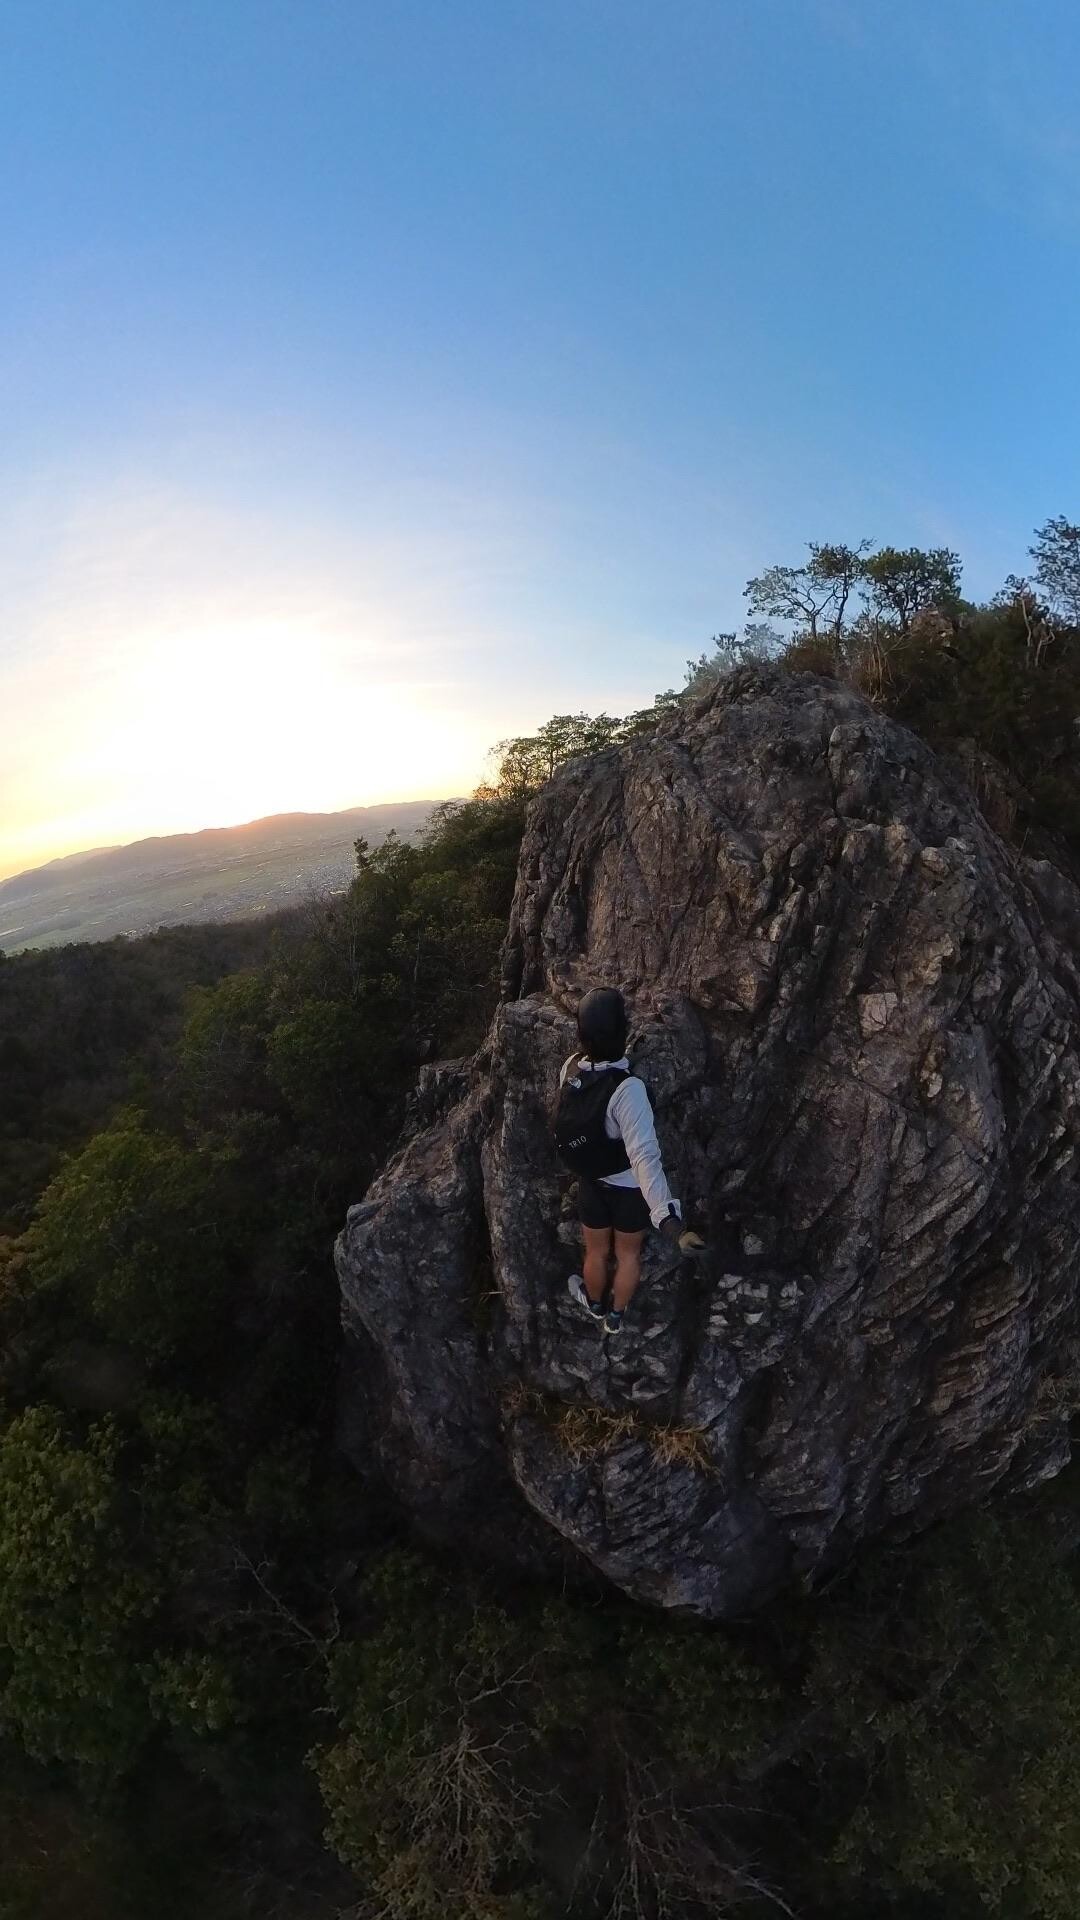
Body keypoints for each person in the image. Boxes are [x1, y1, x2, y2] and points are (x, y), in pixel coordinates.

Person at [554, 986, 703, 1336]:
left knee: (594, 1252)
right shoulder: (628, 1090)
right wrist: (669, 1221)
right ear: (622, 1032)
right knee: (627, 1256)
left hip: (593, 1180)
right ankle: (615, 1317)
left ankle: (594, 1303)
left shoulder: (570, 1069)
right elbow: (644, 1158)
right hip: (630, 1190)